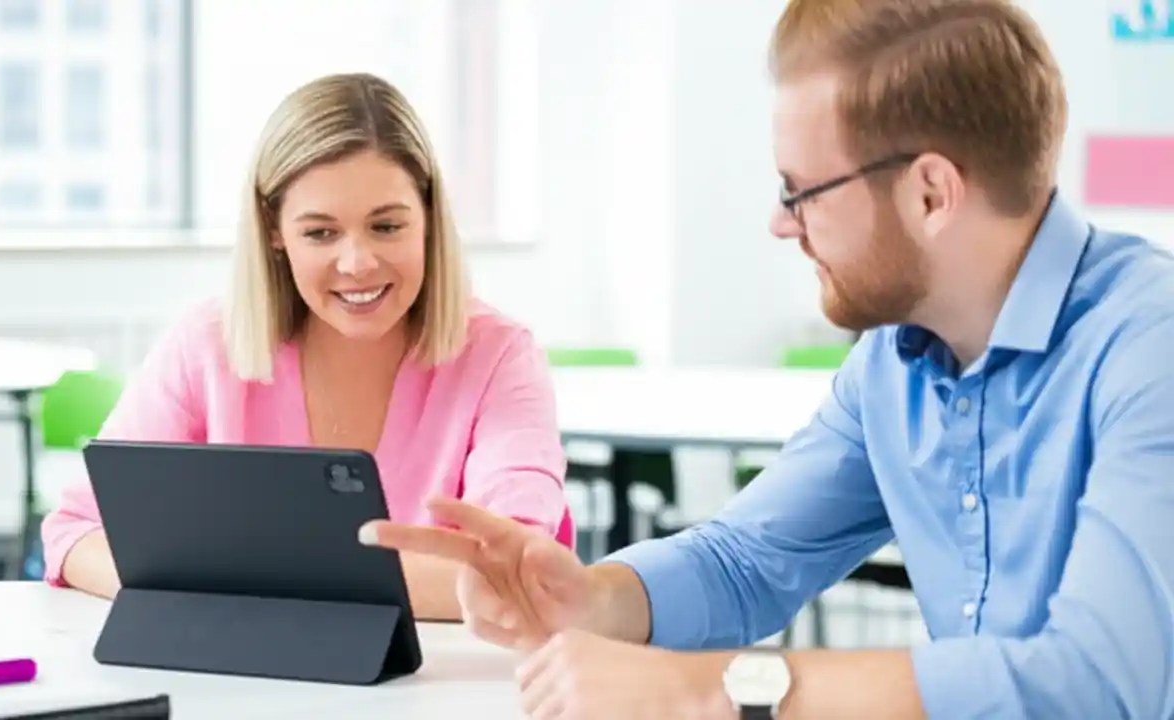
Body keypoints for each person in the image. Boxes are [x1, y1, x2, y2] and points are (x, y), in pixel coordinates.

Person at [361, 1, 1174, 717]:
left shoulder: (1148, 344)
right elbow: (747, 560)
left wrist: (715, 691)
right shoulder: (896, 361)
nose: (781, 225)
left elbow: (1097, 683)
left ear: (931, 194)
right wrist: (589, 598)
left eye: (800, 191)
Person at [41, 73, 573, 621]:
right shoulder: (207, 346)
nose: (358, 262)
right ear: (275, 232)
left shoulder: (499, 355)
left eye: (387, 226)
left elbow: (522, 571)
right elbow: (77, 532)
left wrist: (237, 576)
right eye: (321, 233)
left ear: (430, 218)